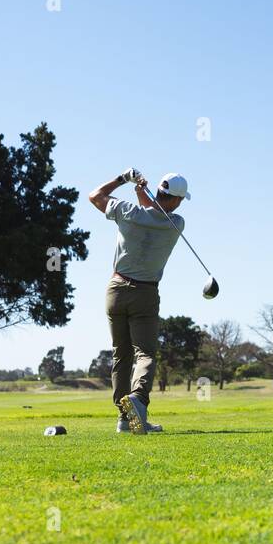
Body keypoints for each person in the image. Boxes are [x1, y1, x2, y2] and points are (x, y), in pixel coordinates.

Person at [87, 170, 191, 435]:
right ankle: (138, 400)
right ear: (177, 200)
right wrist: (140, 193)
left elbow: (94, 196)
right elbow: (156, 213)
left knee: (121, 354)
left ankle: (125, 419)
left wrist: (125, 180)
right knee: (144, 352)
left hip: (116, 289)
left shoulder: (127, 211)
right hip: (145, 293)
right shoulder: (176, 223)